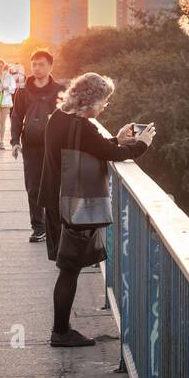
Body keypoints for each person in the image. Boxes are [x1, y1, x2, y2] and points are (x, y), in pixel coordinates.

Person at [39, 72, 154, 347]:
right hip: (74, 205)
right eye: (104, 101)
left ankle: (62, 329)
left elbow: (96, 147)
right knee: (69, 269)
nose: (105, 107)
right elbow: (111, 154)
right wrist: (142, 145)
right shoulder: (83, 127)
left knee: (67, 268)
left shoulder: (59, 118)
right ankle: (61, 332)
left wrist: (115, 138)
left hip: (54, 200)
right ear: (91, 100)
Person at [11, 49, 67, 242]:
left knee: (54, 186)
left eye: (41, 64)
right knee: (33, 187)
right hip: (31, 145)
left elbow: (68, 116)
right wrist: (14, 142)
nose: (37, 67)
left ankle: (54, 227)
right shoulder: (23, 91)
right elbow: (16, 116)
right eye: (34, 64)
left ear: (50, 66)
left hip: (54, 147)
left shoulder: (60, 90)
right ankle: (38, 227)